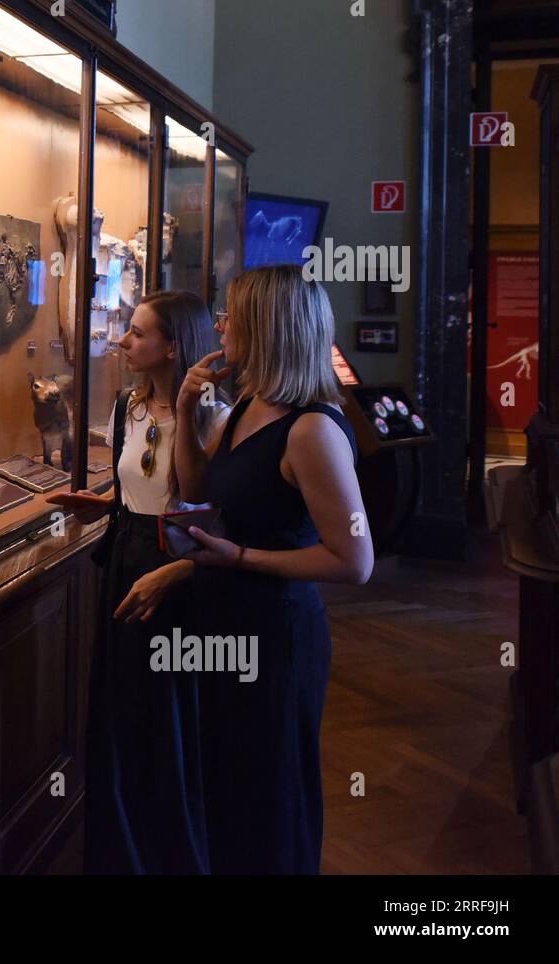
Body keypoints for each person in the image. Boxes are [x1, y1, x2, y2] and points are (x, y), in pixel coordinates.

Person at [173, 265, 373, 875]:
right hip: (228, 622)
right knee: (230, 791)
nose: (221, 325)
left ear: (266, 328)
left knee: (272, 799)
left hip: (276, 632)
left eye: (232, 314)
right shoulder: (249, 404)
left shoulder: (311, 428)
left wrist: (240, 557)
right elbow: (197, 488)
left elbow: (353, 559)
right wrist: (186, 409)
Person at [47, 290, 230, 874]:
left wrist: (175, 568)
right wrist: (100, 504)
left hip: (173, 569)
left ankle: (169, 852)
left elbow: (204, 506)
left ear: (173, 348)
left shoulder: (214, 417)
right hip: (123, 557)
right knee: (120, 710)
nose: (123, 341)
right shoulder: (128, 404)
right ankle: (120, 853)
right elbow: (134, 486)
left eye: (138, 333)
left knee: (165, 714)